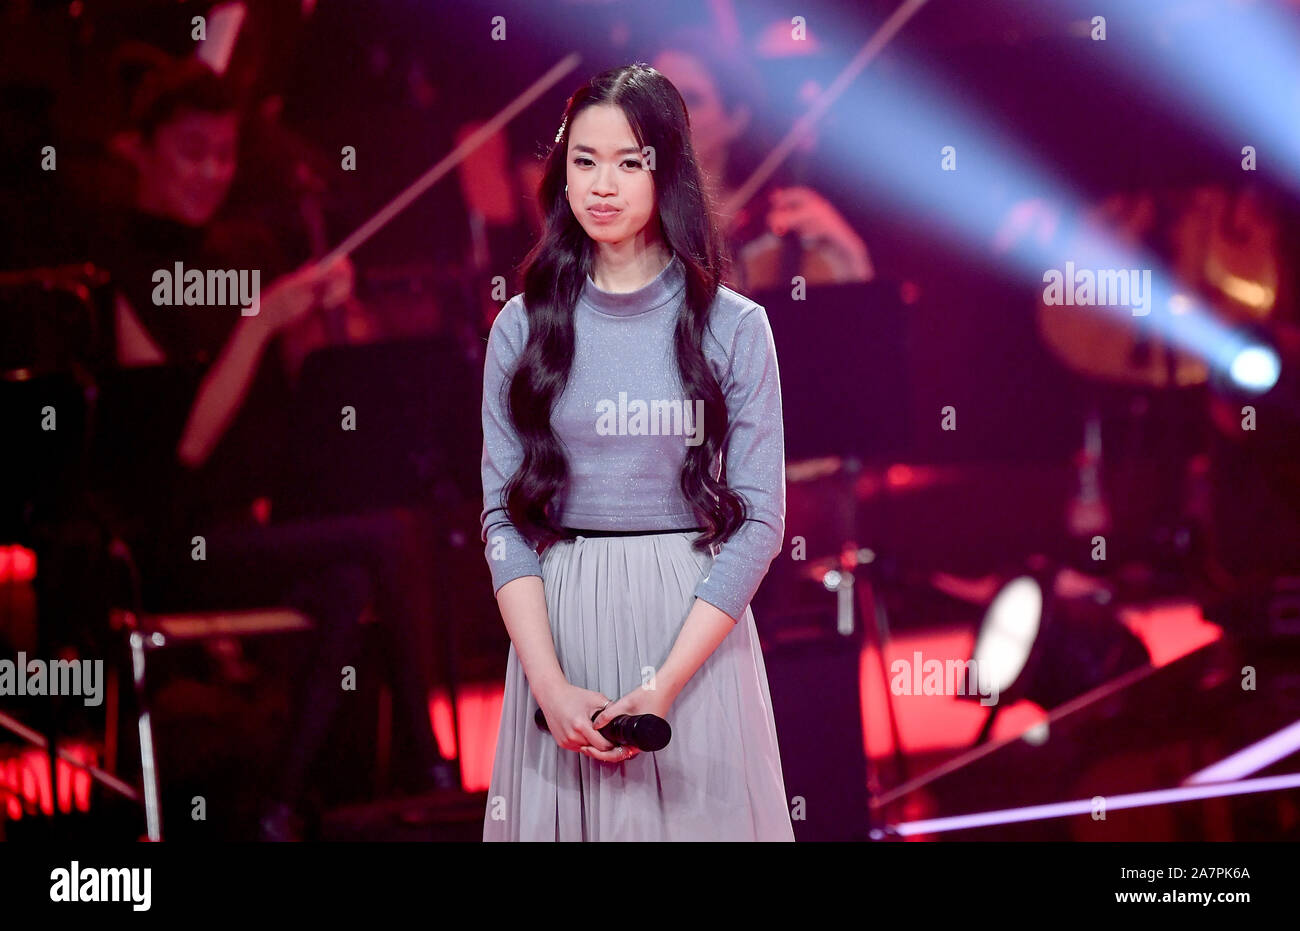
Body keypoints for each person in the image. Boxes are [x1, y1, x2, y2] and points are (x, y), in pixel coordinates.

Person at [89, 53, 458, 839]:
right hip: (172, 543)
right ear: (140, 151)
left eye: (224, 153)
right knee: (388, 536)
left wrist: (327, 311)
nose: (212, 172)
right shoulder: (123, 271)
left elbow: (307, 402)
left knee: (350, 574)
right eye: (192, 152)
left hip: (251, 527)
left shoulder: (247, 244)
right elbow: (183, 446)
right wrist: (260, 321)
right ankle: (433, 767)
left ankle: (277, 807)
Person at [480, 63, 794, 841]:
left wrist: (662, 685)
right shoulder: (520, 328)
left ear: (669, 169)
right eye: (584, 161)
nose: (603, 185)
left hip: (689, 636)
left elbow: (760, 522)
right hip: (561, 630)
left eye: (629, 162)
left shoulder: (736, 326)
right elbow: (501, 516)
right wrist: (549, 686)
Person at [649, 30, 874, 293]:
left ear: (735, 120)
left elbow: (860, 325)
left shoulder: (778, 232)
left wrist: (853, 258)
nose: (668, 114)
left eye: (692, 99)